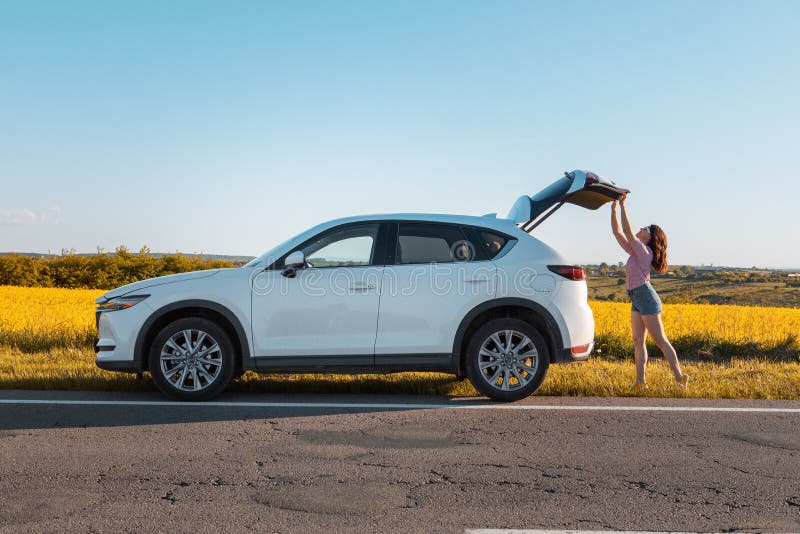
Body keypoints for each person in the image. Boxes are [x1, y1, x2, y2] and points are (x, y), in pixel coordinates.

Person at [610, 194, 689, 392]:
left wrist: (622, 205)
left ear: (649, 237)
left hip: (645, 297)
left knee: (660, 340)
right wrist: (612, 209)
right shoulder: (636, 250)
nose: (641, 229)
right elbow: (618, 233)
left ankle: (680, 378)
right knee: (638, 341)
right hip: (636, 297)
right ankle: (640, 381)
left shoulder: (645, 252)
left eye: (645, 228)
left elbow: (627, 231)